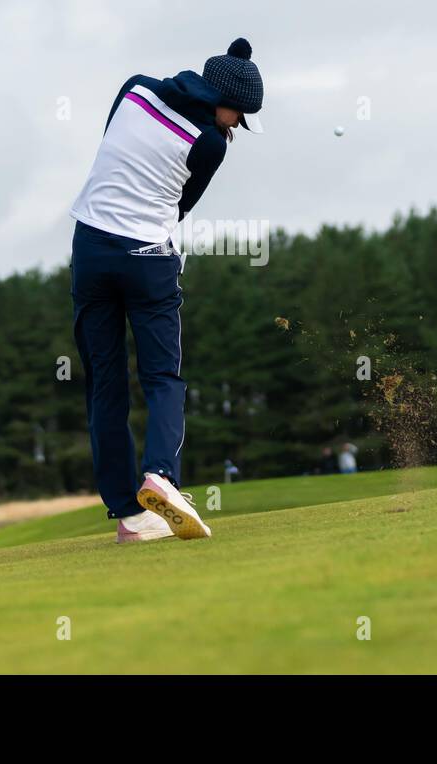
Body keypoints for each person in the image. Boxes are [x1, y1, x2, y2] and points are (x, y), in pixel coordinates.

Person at [69, 38, 266, 544]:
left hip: (89, 249)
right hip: (147, 259)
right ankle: (161, 475)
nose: (234, 126)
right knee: (163, 376)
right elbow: (181, 204)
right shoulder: (211, 144)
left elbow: (112, 148)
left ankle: (129, 518)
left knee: (105, 383)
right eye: (236, 116)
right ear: (220, 99)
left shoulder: (134, 88)